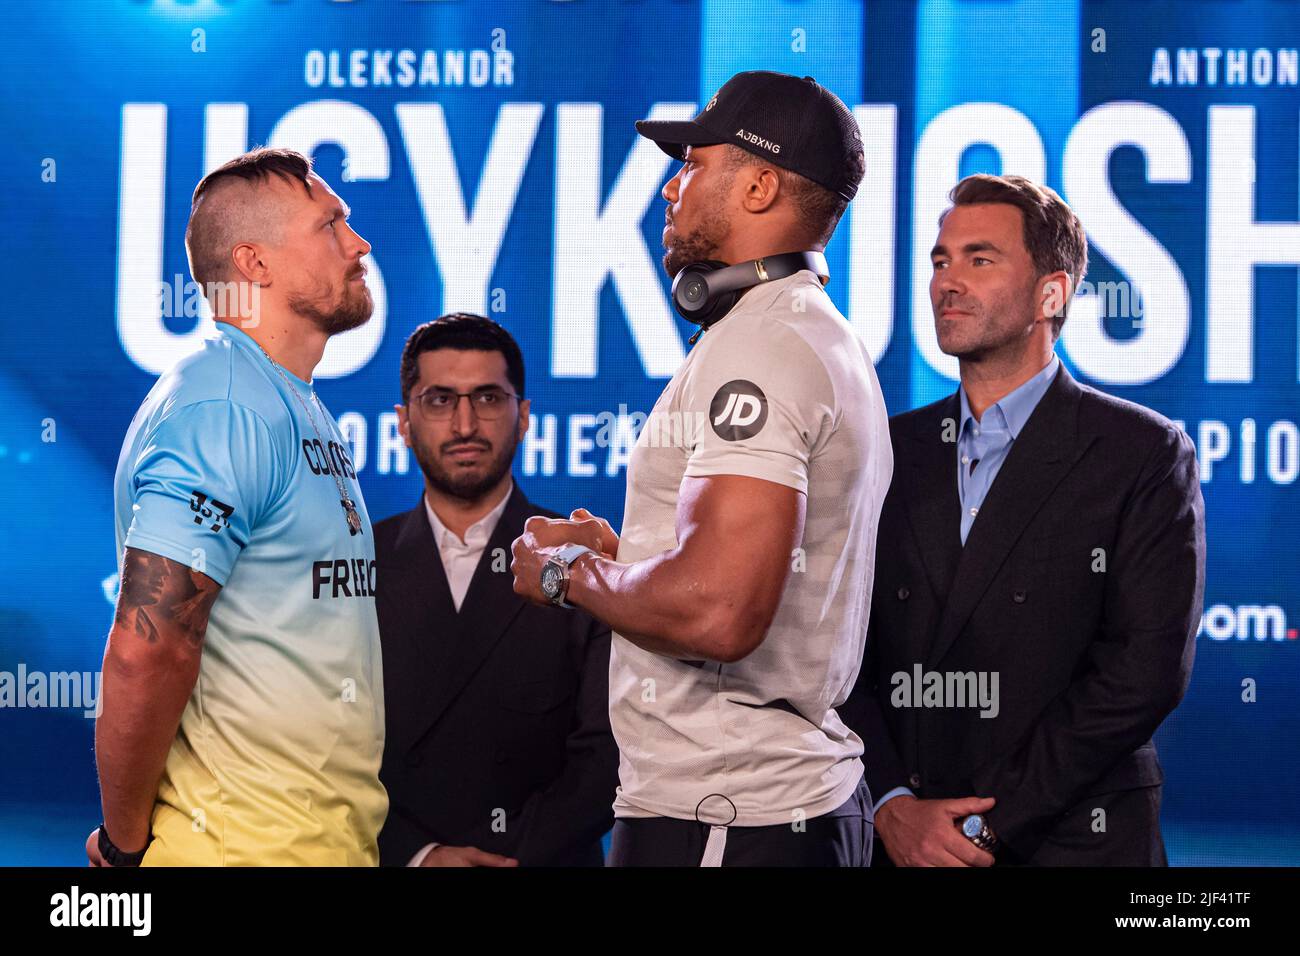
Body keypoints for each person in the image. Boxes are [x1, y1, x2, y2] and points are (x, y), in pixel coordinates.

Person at [510, 70, 892, 866]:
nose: (670, 190)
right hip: (757, 814)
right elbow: (735, 571)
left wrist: (566, 572)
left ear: (758, 186)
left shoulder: (764, 345)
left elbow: (721, 611)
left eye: (693, 166)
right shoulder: (797, 332)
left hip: (725, 820)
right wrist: (632, 558)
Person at [839, 173, 1205, 866]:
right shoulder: (888, 450)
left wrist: (981, 824)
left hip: (1071, 843)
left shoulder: (1142, 455)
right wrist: (890, 805)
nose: (948, 281)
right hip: (903, 844)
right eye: (940, 260)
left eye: (980, 259)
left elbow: (1142, 673)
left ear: (1052, 292)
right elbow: (835, 649)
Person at [92, 147, 387, 866]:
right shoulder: (221, 407)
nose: (359, 243)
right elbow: (148, 645)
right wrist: (127, 849)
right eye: (331, 225)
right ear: (256, 265)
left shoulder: (284, 400)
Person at [375, 314, 618, 867]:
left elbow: (609, 749)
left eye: (487, 398)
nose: (464, 424)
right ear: (403, 423)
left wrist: (513, 859)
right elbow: (323, 747)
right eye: (438, 400)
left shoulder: (584, 560)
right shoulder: (357, 564)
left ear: (524, 415)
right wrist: (418, 854)